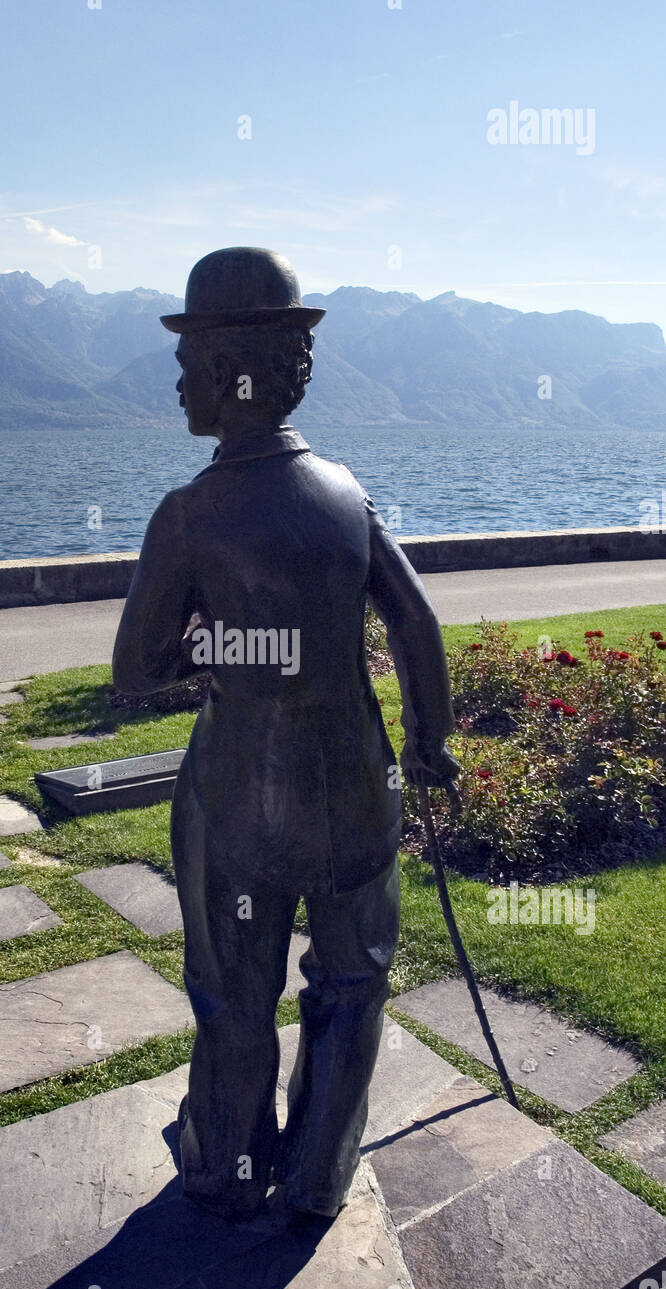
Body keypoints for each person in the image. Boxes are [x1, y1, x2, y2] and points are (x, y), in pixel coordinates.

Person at [112, 247, 458, 1222]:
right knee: (351, 983)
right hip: (356, 790)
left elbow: (133, 668)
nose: (178, 380)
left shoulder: (188, 515)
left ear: (230, 372)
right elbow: (419, 625)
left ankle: (223, 1160)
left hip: (239, 801)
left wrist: (205, 651)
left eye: (188, 361)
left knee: (233, 986)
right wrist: (429, 745)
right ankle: (315, 1175)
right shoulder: (349, 496)